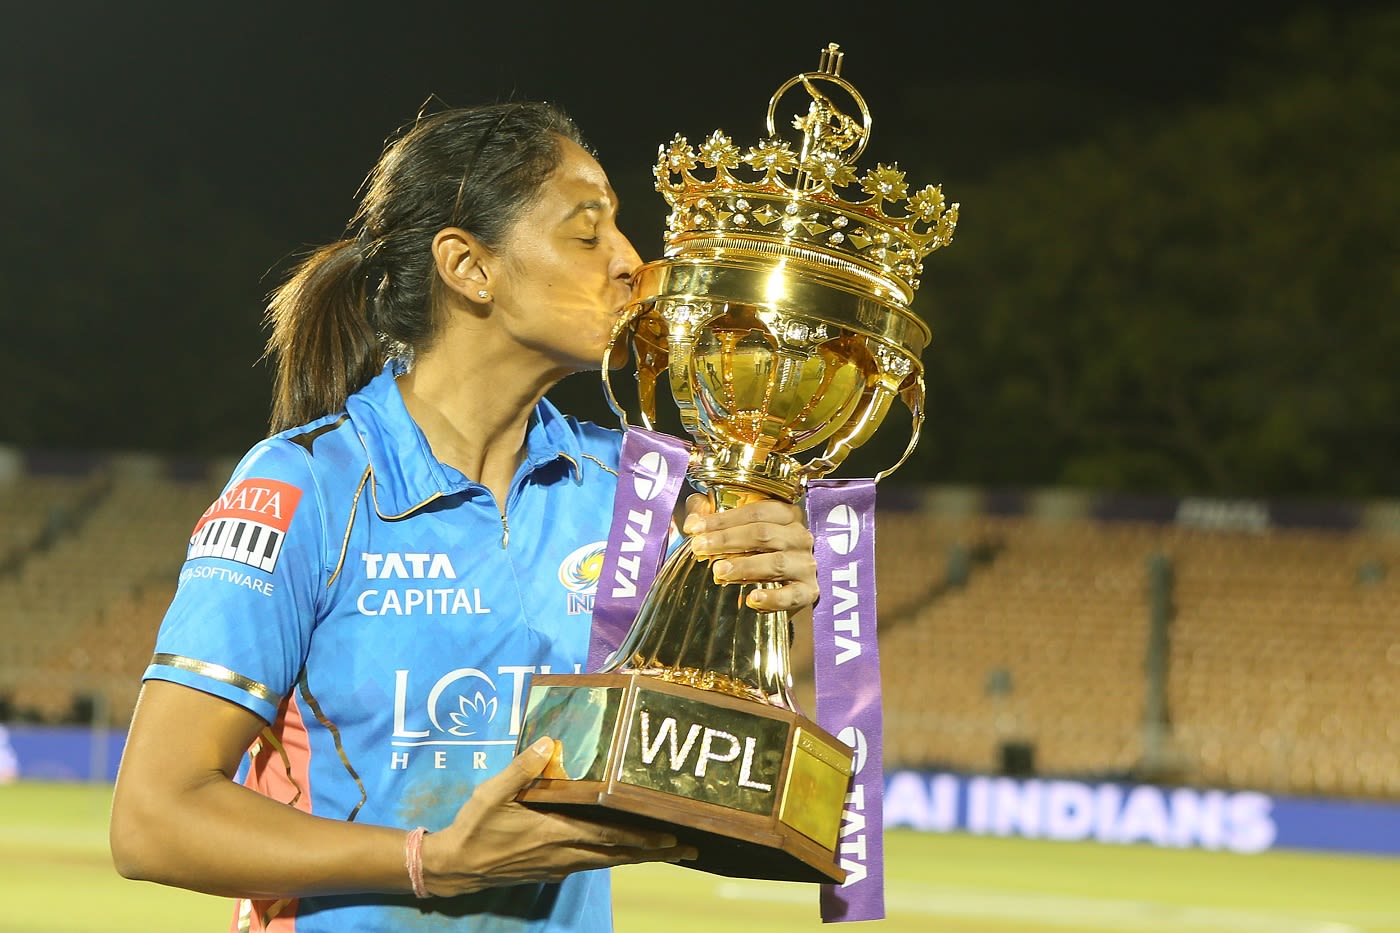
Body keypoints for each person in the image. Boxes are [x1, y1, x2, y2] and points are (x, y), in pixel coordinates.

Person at [108, 101, 820, 932]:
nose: (632, 262)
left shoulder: (639, 494)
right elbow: (153, 818)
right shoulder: (307, 487)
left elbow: (713, 769)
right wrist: (430, 860)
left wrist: (766, 593)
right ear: (469, 266)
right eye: (587, 233)